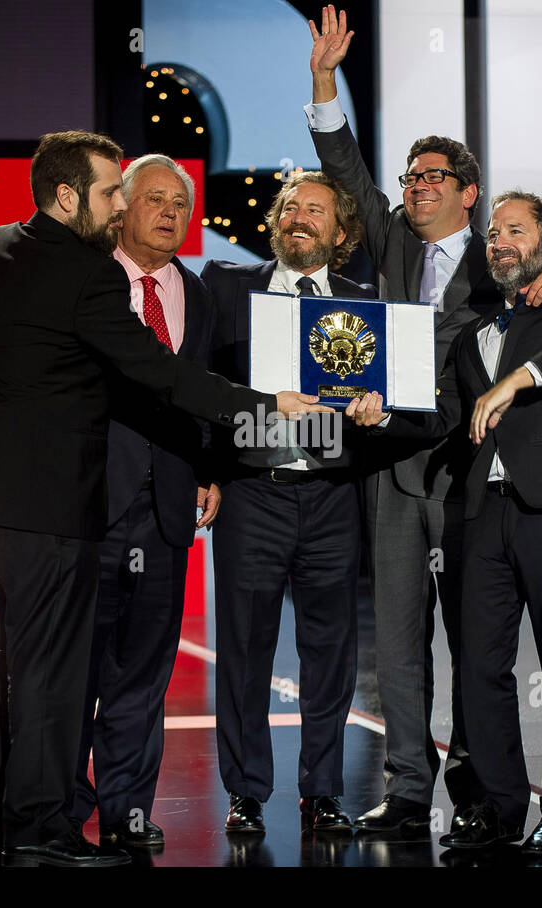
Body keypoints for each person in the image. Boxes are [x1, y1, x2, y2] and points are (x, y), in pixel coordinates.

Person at [0, 130, 319, 866]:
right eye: (115, 193)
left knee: (35, 666)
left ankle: (21, 821)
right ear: (70, 197)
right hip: (62, 503)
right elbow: (163, 375)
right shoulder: (90, 275)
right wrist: (267, 404)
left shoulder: (2, 242)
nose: (125, 206)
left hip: (5, 498)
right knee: (55, 675)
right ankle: (42, 829)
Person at [305, 5, 542, 835]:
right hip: (392, 471)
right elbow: (343, 162)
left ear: (468, 192)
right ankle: (408, 791)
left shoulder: (505, 267)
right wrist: (325, 80)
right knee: (396, 644)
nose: (416, 187)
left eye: (432, 177)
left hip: (468, 476)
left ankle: (478, 798)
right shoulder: (389, 239)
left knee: (474, 646)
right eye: (410, 176)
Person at [0, 154, 220, 852]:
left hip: (163, 506)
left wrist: (211, 467)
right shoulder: (74, 268)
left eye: (181, 204)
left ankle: (125, 812)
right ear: (116, 206)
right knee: (55, 668)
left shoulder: (199, 291)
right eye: (150, 198)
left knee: (141, 672)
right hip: (79, 504)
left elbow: (198, 387)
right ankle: (44, 814)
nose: (169, 213)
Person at [347, 191, 542, 855]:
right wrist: (381, 415)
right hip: (480, 515)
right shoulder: (473, 337)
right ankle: (497, 808)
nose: (498, 239)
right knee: (479, 666)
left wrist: (516, 380)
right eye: (494, 231)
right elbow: (441, 422)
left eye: (515, 231)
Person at [200, 171, 375, 834]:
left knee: (329, 650)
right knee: (244, 647)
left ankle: (322, 792)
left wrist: (374, 414)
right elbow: (203, 384)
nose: (300, 217)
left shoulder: (366, 301)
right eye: (292, 207)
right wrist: (205, 468)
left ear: (340, 234)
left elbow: (393, 403)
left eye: (315, 211)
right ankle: (246, 793)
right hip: (251, 493)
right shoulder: (225, 285)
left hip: (332, 495)